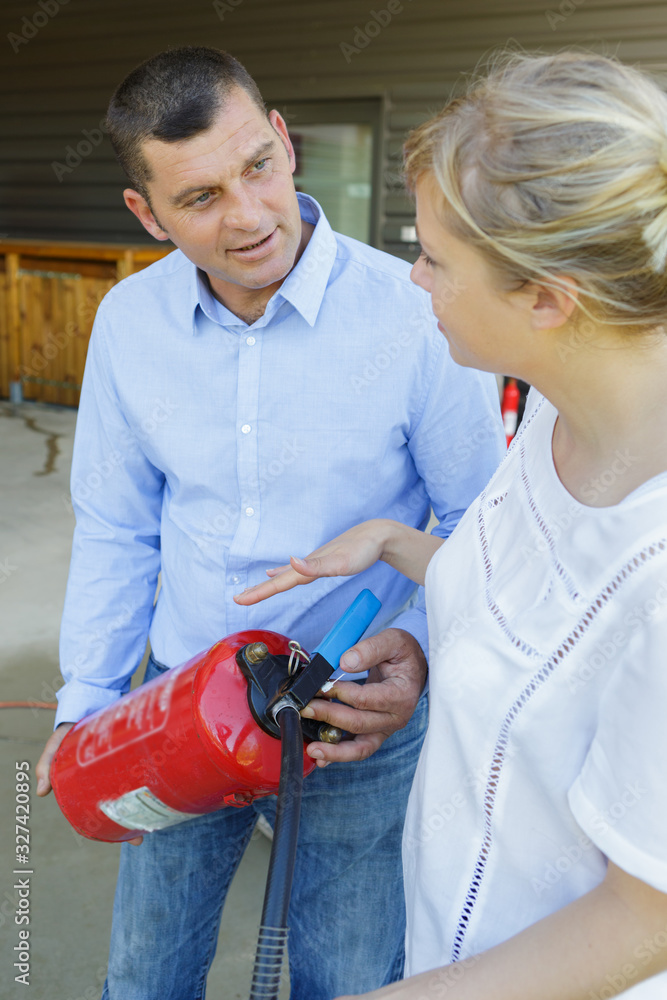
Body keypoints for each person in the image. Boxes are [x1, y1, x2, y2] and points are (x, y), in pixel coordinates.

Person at [34, 46, 505, 1000]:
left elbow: (476, 521)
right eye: (199, 197)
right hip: (176, 707)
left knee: (348, 980)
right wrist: (88, 703)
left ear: (283, 142)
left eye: (257, 166)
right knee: (144, 973)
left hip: (354, 715)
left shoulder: (417, 312)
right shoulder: (128, 322)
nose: (249, 217)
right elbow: (118, 526)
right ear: (148, 214)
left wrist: (416, 648)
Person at [236, 50, 667, 999]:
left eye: (433, 257)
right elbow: (541, 605)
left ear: (548, 298)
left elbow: (645, 921)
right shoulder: (557, 409)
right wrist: (400, 547)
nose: (412, 278)